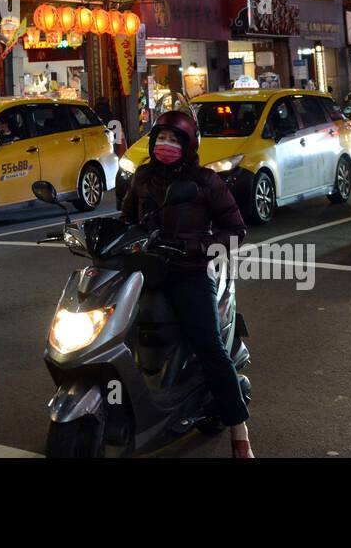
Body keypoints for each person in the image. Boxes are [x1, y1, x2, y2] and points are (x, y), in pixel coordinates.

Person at [118, 109, 254, 458]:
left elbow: (237, 232)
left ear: (188, 144)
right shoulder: (143, 178)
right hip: (146, 269)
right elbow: (127, 219)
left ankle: (240, 431)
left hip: (189, 271)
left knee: (209, 345)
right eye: (160, 138)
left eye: (173, 140)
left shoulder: (206, 182)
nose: (165, 145)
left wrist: (193, 247)